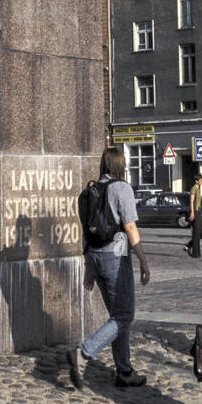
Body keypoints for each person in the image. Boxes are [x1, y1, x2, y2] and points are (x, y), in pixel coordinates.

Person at [68, 147, 150, 390]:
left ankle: (124, 371)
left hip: (94, 256)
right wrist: (143, 261)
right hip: (115, 257)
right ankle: (83, 353)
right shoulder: (121, 188)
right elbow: (131, 228)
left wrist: (88, 268)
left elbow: (85, 232)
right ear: (120, 166)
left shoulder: (88, 191)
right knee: (124, 316)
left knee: (118, 316)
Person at [184, 173, 202, 257]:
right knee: (196, 233)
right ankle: (196, 253)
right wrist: (192, 213)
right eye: (200, 180)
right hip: (195, 211)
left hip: (198, 211)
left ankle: (188, 245)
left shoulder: (198, 188)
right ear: (196, 181)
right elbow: (191, 201)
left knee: (201, 232)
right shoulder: (193, 189)